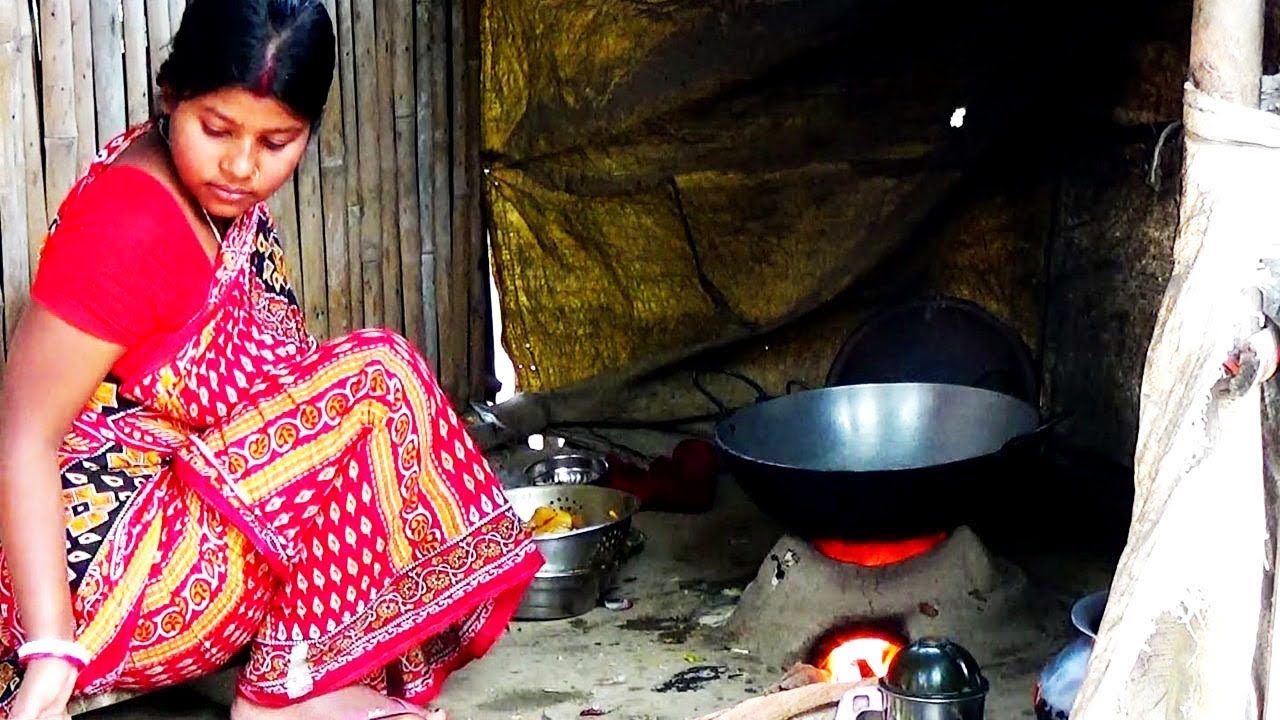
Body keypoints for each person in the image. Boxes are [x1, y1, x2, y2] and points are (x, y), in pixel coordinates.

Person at [0, 0, 543, 718]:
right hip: (95, 578)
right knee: (377, 380)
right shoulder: (128, 226)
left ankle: (296, 680)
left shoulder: (217, 202)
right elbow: (22, 436)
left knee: (354, 418)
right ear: (170, 97)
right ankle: (282, 698)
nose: (240, 165)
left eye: (276, 141)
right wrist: (49, 649)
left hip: (171, 525)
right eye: (216, 129)